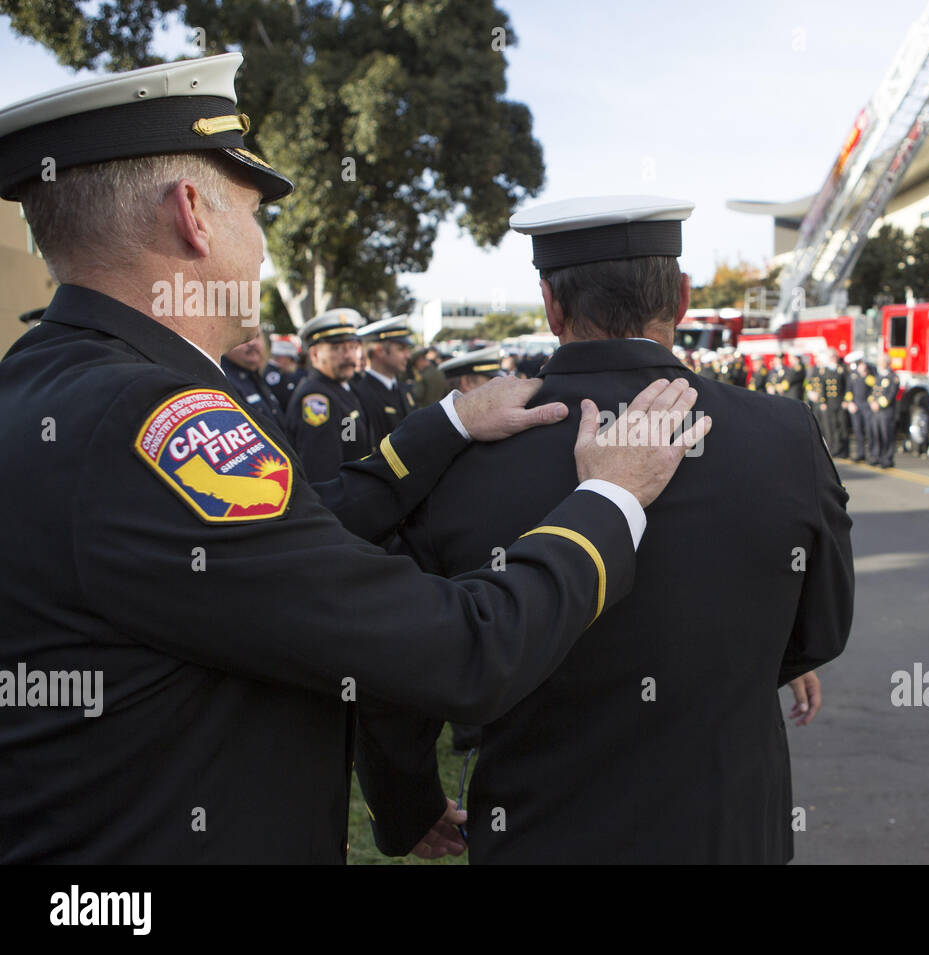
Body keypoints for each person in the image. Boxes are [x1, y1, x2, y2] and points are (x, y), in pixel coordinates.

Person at [0, 55, 707, 864]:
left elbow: (283, 544)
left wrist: (446, 422)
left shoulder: (45, 382)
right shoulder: (154, 418)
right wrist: (612, 496)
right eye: (253, 211)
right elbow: (461, 651)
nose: (262, 250)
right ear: (193, 213)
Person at [396, 195, 855, 864]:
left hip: (540, 832)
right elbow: (823, 629)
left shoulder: (466, 448)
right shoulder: (786, 433)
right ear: (682, 298)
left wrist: (407, 800)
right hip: (726, 832)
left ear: (551, 305)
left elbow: (405, 667)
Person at [285, 308, 374, 481]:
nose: (348, 356)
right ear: (315, 354)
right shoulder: (317, 399)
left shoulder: (346, 386)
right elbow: (322, 474)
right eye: (337, 348)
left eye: (352, 347)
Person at [352, 316, 418, 445]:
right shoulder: (361, 394)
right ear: (379, 351)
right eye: (401, 349)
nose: (408, 355)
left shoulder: (403, 389)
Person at [221, 331, 284, 431]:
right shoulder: (225, 385)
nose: (252, 343)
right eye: (243, 338)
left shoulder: (254, 375)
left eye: (256, 336)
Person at [869, 350, 901, 468]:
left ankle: (887, 459)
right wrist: (872, 402)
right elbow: (874, 391)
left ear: (887, 363)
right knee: (876, 434)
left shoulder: (893, 377)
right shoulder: (878, 375)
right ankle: (876, 456)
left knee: (886, 435)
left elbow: (891, 394)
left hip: (886, 411)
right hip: (876, 411)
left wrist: (879, 404)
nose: (879, 363)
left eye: (881, 361)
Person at [264, 334, 304, 407]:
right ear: (283, 357)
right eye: (292, 359)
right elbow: (283, 398)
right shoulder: (273, 374)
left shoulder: (277, 372)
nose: (293, 363)